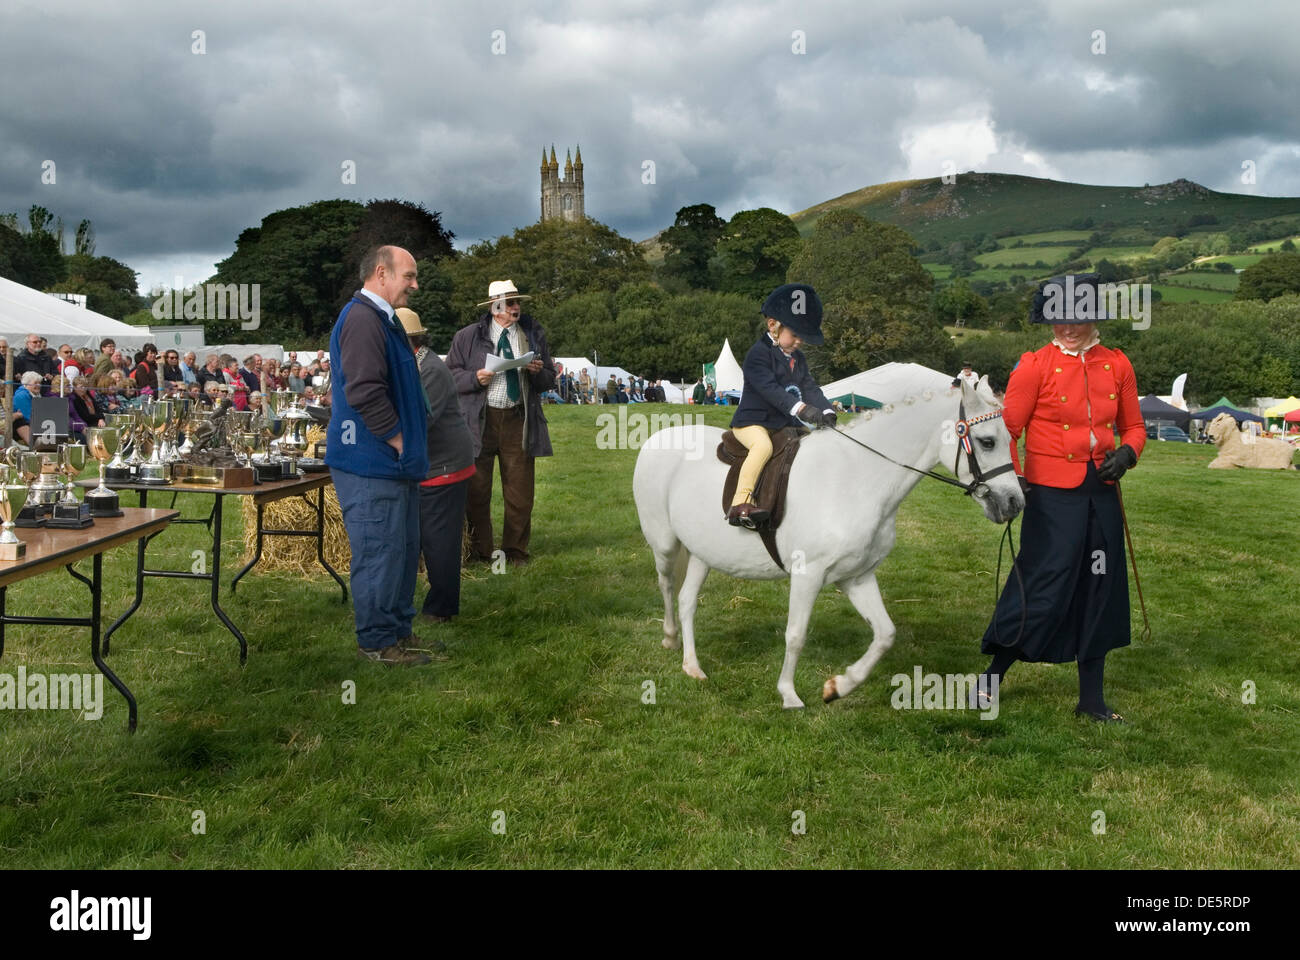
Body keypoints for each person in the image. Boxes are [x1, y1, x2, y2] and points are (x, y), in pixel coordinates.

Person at [976, 274, 1146, 724]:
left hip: (1102, 495)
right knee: (1042, 584)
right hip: (1051, 497)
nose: (1067, 327)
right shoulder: (1033, 366)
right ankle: (992, 677)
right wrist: (1015, 477)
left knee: (1099, 588)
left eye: (1077, 318)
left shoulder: (1118, 365)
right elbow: (1006, 429)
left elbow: (1135, 427)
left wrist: (1128, 454)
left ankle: (1091, 701)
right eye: (1058, 318)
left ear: (1094, 318)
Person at [325, 244, 431, 666]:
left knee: (402, 549)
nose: (415, 285)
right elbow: (365, 391)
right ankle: (375, 643)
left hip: (390, 464)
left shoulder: (381, 320)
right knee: (379, 551)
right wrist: (399, 439)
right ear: (382, 273)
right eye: (409, 276)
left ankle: (397, 633)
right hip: (371, 463)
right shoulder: (362, 320)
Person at [446, 279, 556, 566]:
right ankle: (480, 552)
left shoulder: (532, 333)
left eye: (517, 302)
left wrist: (537, 371)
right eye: (510, 302)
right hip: (479, 420)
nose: (516, 307)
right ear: (495, 307)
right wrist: (475, 378)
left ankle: (515, 552)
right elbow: (450, 377)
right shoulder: (467, 336)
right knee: (477, 491)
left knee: (520, 493)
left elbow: (548, 380)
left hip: (518, 419)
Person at [726, 283, 837, 527]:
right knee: (762, 447)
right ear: (773, 326)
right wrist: (801, 409)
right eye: (795, 335)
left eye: (802, 338)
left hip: (783, 424)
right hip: (752, 423)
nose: (799, 342)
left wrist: (827, 410)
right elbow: (771, 391)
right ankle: (740, 503)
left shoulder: (798, 358)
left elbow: (809, 387)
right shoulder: (758, 354)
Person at [397, 308, 475, 629]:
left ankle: (441, 607)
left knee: (439, 540)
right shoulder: (415, 364)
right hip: (431, 465)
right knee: (427, 536)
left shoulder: (429, 370)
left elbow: (420, 421)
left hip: (444, 467)